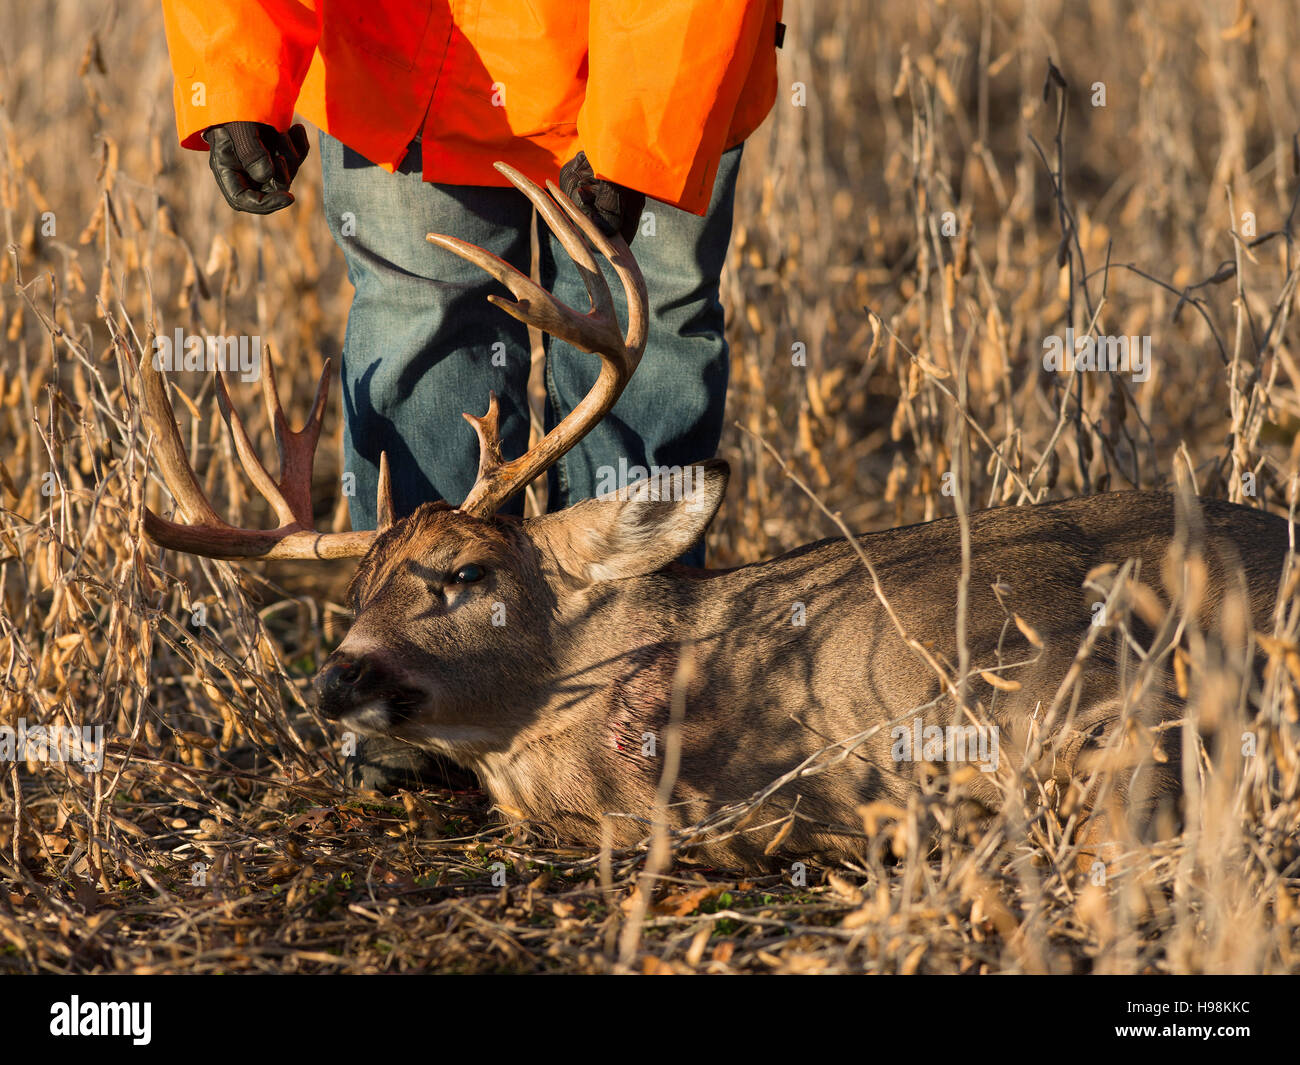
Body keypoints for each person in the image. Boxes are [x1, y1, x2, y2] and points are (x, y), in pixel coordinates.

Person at [160, 1, 782, 787]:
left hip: (664, 52)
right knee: (419, 326)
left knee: (640, 333)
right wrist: (238, 73)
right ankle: (410, 701)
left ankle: (633, 690)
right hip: (407, 49)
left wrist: (641, 136)